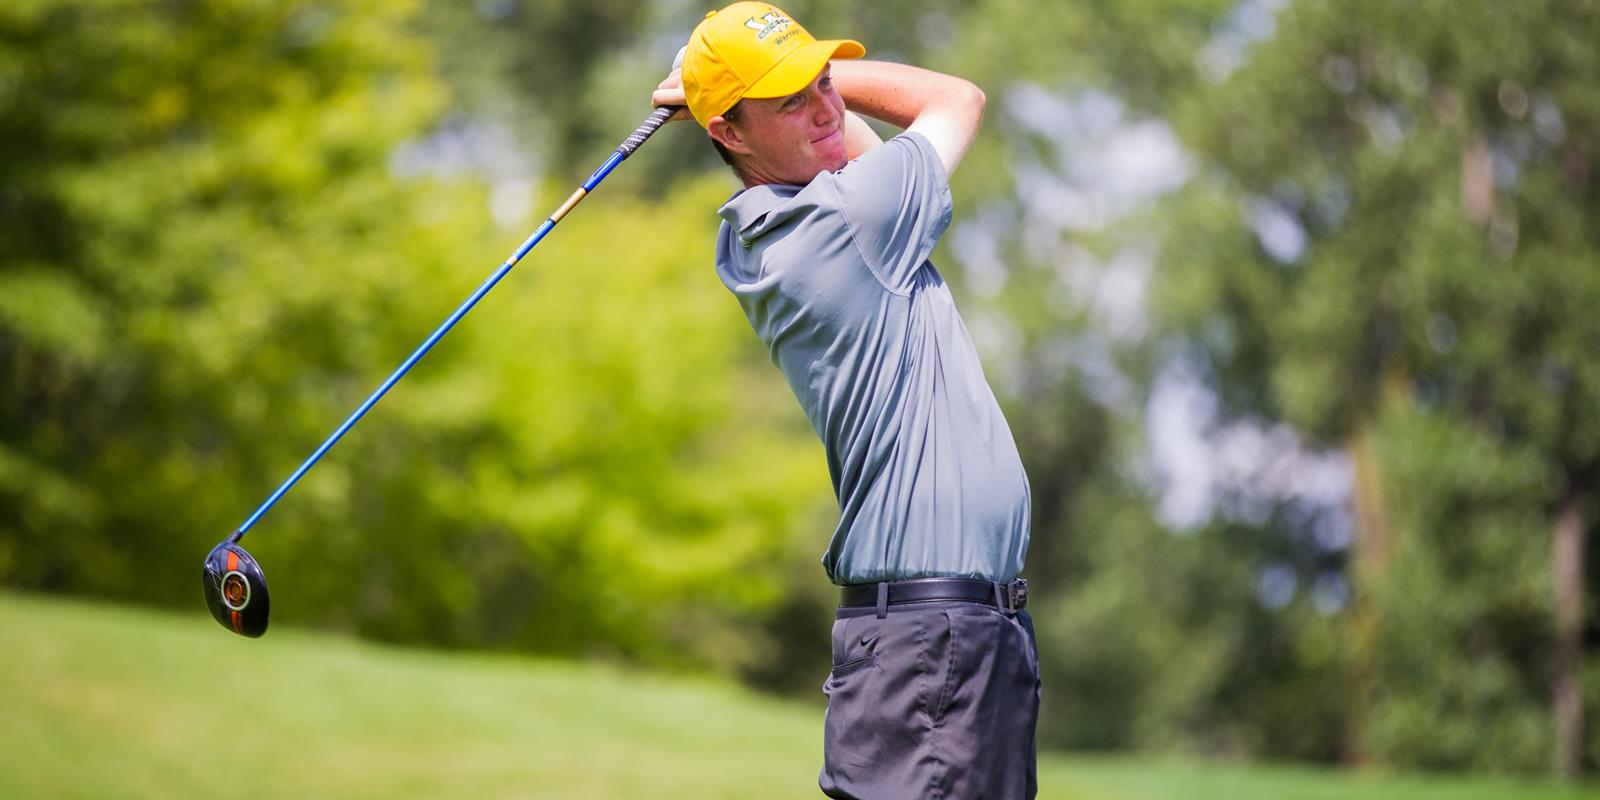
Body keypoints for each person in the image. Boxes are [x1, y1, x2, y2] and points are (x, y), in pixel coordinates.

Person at [653, 4, 1039, 797]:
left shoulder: (783, 217)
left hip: (953, 639)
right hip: (931, 645)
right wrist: (737, 86)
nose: (826, 107)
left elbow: (838, 144)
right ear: (727, 132)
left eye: (824, 82)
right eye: (792, 98)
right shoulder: (844, 222)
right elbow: (958, 99)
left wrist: (778, 86)